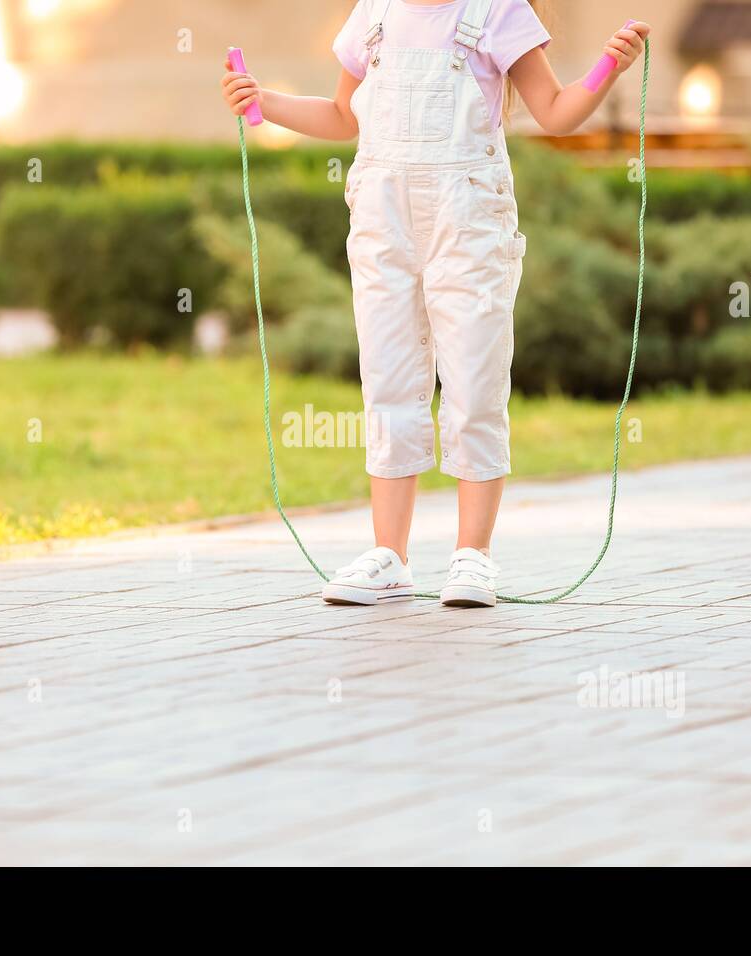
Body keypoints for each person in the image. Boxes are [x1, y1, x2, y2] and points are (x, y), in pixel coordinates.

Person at [220, 0, 649, 607]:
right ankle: (389, 557)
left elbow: (555, 113)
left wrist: (609, 68)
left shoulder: (498, 12)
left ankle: (472, 557)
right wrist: (262, 100)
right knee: (389, 379)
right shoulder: (374, 14)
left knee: (475, 379)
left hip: (468, 220)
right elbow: (345, 116)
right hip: (382, 222)